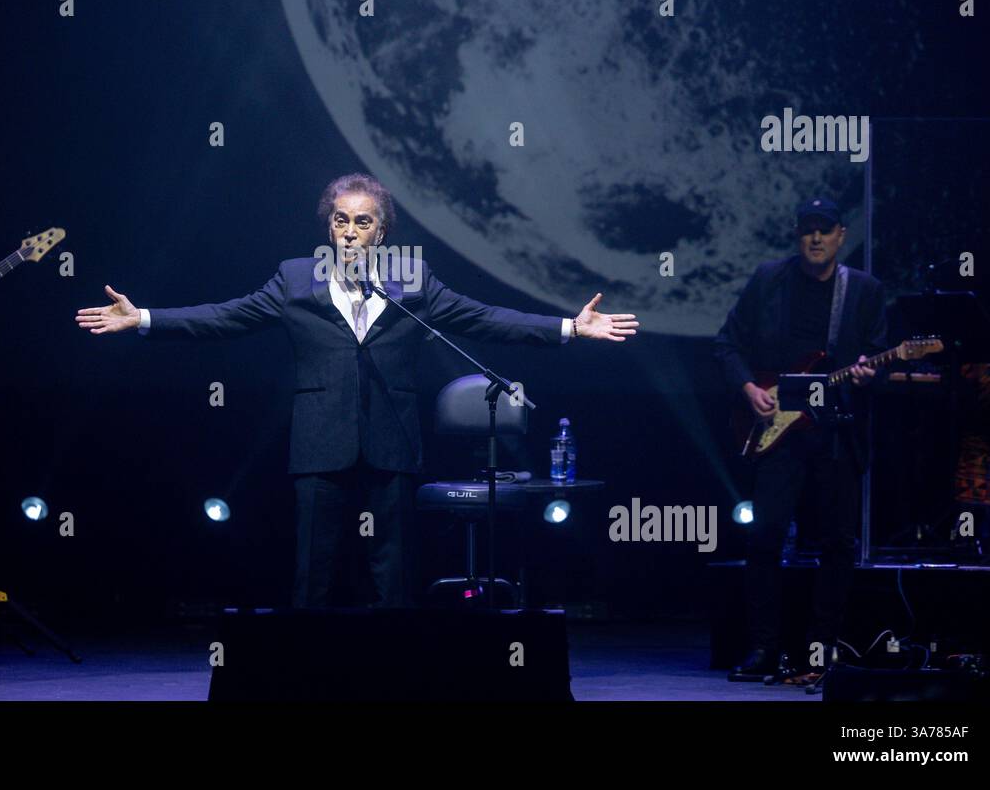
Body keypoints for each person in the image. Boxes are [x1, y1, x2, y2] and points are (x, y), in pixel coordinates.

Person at [76, 173, 641, 607]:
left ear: (382, 231)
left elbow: (484, 318)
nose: (349, 232)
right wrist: (144, 318)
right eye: (341, 221)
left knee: (393, 577)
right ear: (329, 227)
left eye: (363, 222)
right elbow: (226, 317)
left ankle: (392, 683)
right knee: (311, 576)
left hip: (391, 444)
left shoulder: (411, 282)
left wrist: (569, 328)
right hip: (320, 446)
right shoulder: (295, 279)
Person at [713, 197, 886, 687]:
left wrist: (869, 373)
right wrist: (748, 388)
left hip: (834, 434)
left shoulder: (864, 290)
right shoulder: (769, 279)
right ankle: (764, 648)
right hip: (777, 433)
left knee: (836, 543)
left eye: (824, 230)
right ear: (798, 235)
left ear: (840, 236)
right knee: (765, 538)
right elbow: (726, 343)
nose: (815, 238)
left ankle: (820, 651)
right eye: (807, 230)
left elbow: (874, 356)